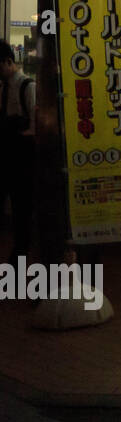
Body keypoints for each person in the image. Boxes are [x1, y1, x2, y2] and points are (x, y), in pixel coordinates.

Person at [0, 42, 36, 262]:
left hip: (23, 160)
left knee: (22, 210)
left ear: (8, 61)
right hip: (8, 158)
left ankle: (20, 256)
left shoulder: (28, 87)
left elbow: (35, 128)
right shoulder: (4, 88)